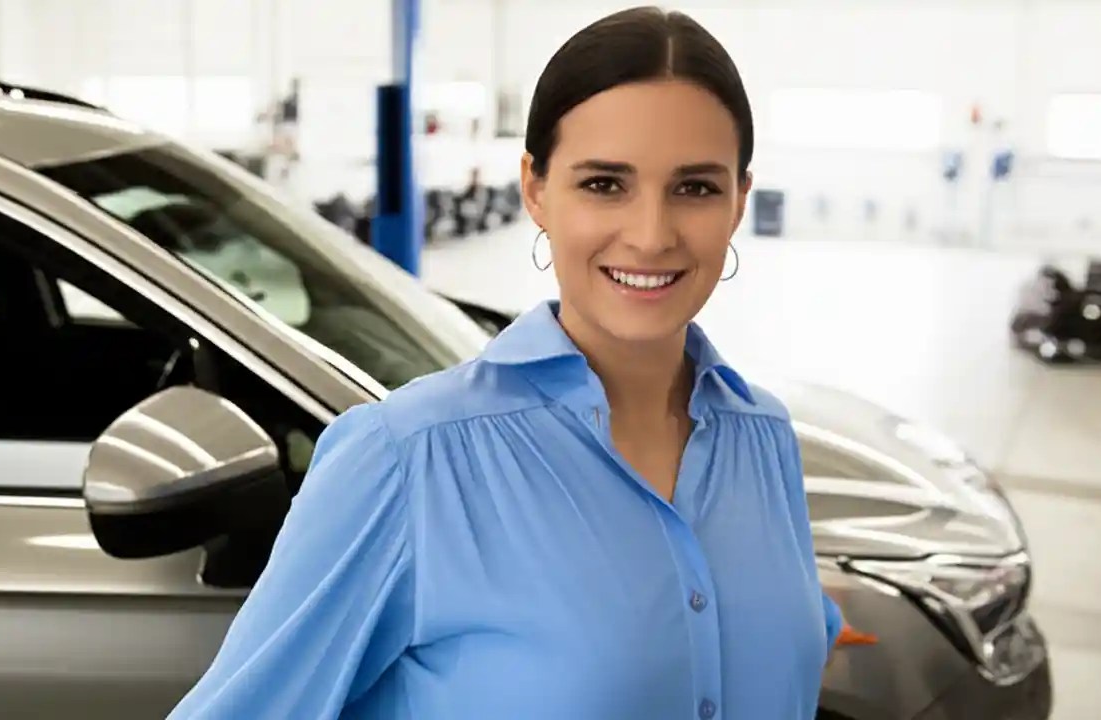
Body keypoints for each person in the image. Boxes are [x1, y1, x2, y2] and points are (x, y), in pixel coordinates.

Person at [169, 6, 843, 719]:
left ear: (740, 200)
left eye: (696, 187)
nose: (650, 235)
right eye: (605, 184)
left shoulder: (763, 437)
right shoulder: (406, 462)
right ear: (536, 189)